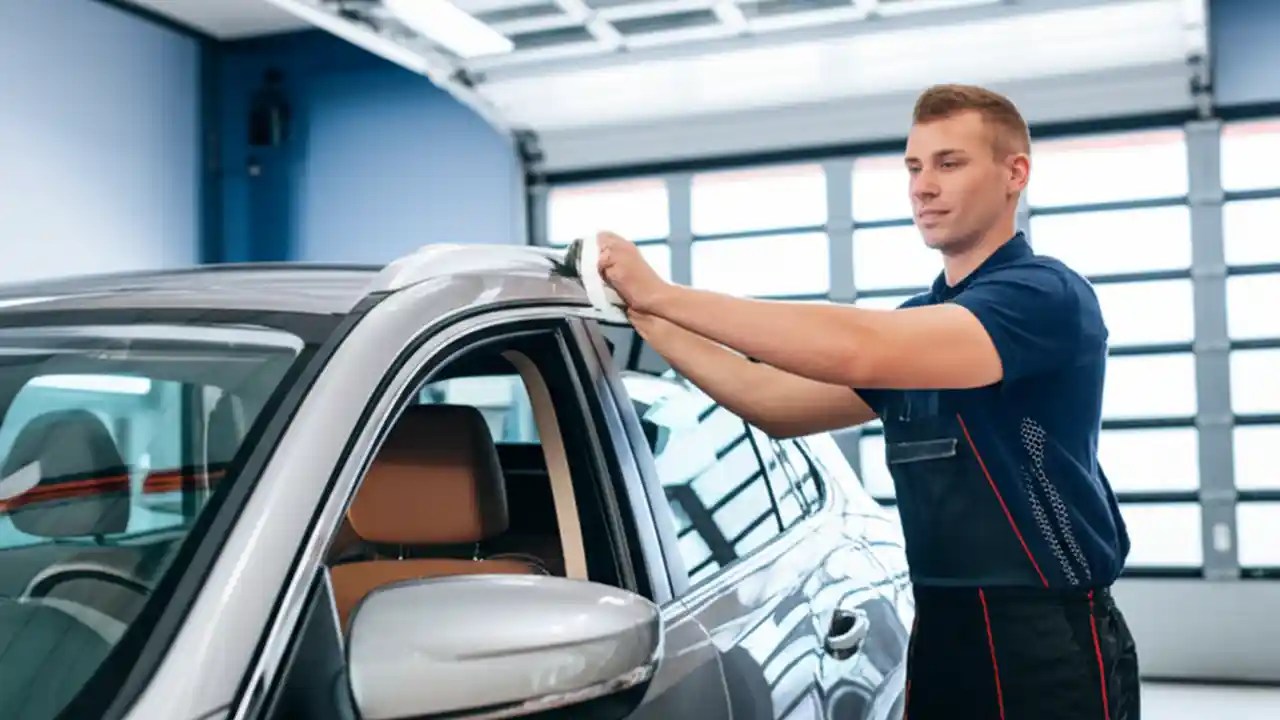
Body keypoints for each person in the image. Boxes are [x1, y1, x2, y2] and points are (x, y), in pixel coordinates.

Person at [595, 83, 1140, 720]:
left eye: (949, 163)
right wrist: (650, 319)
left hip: (1045, 643)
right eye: (913, 167)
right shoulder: (922, 324)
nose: (923, 186)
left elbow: (860, 350)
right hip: (942, 633)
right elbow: (772, 401)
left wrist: (667, 294)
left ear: (1014, 173)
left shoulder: (1044, 296)